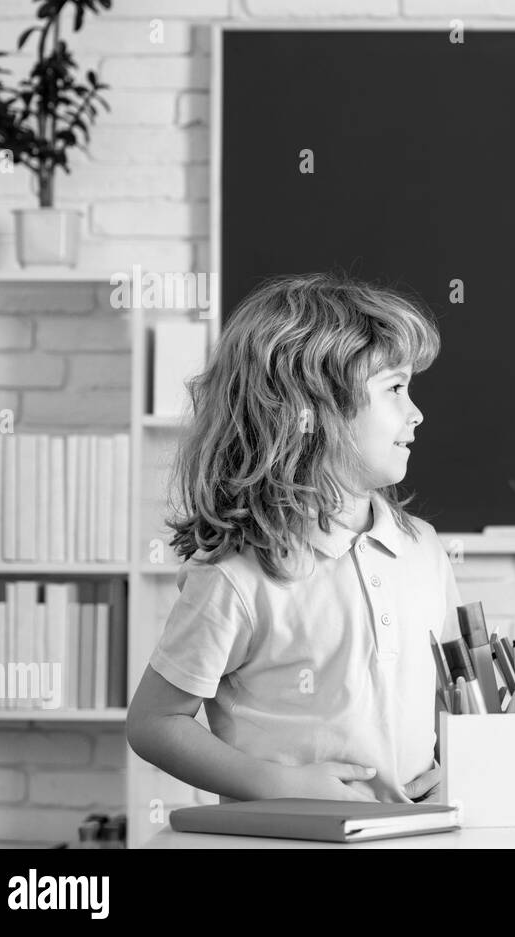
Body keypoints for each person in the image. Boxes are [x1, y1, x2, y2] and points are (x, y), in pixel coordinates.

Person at [126, 273, 459, 804]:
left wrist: (458, 762)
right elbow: (154, 722)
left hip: (415, 838)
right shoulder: (237, 574)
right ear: (312, 411)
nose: (416, 413)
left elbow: (453, 688)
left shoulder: (423, 549)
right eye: (395, 388)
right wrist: (277, 785)